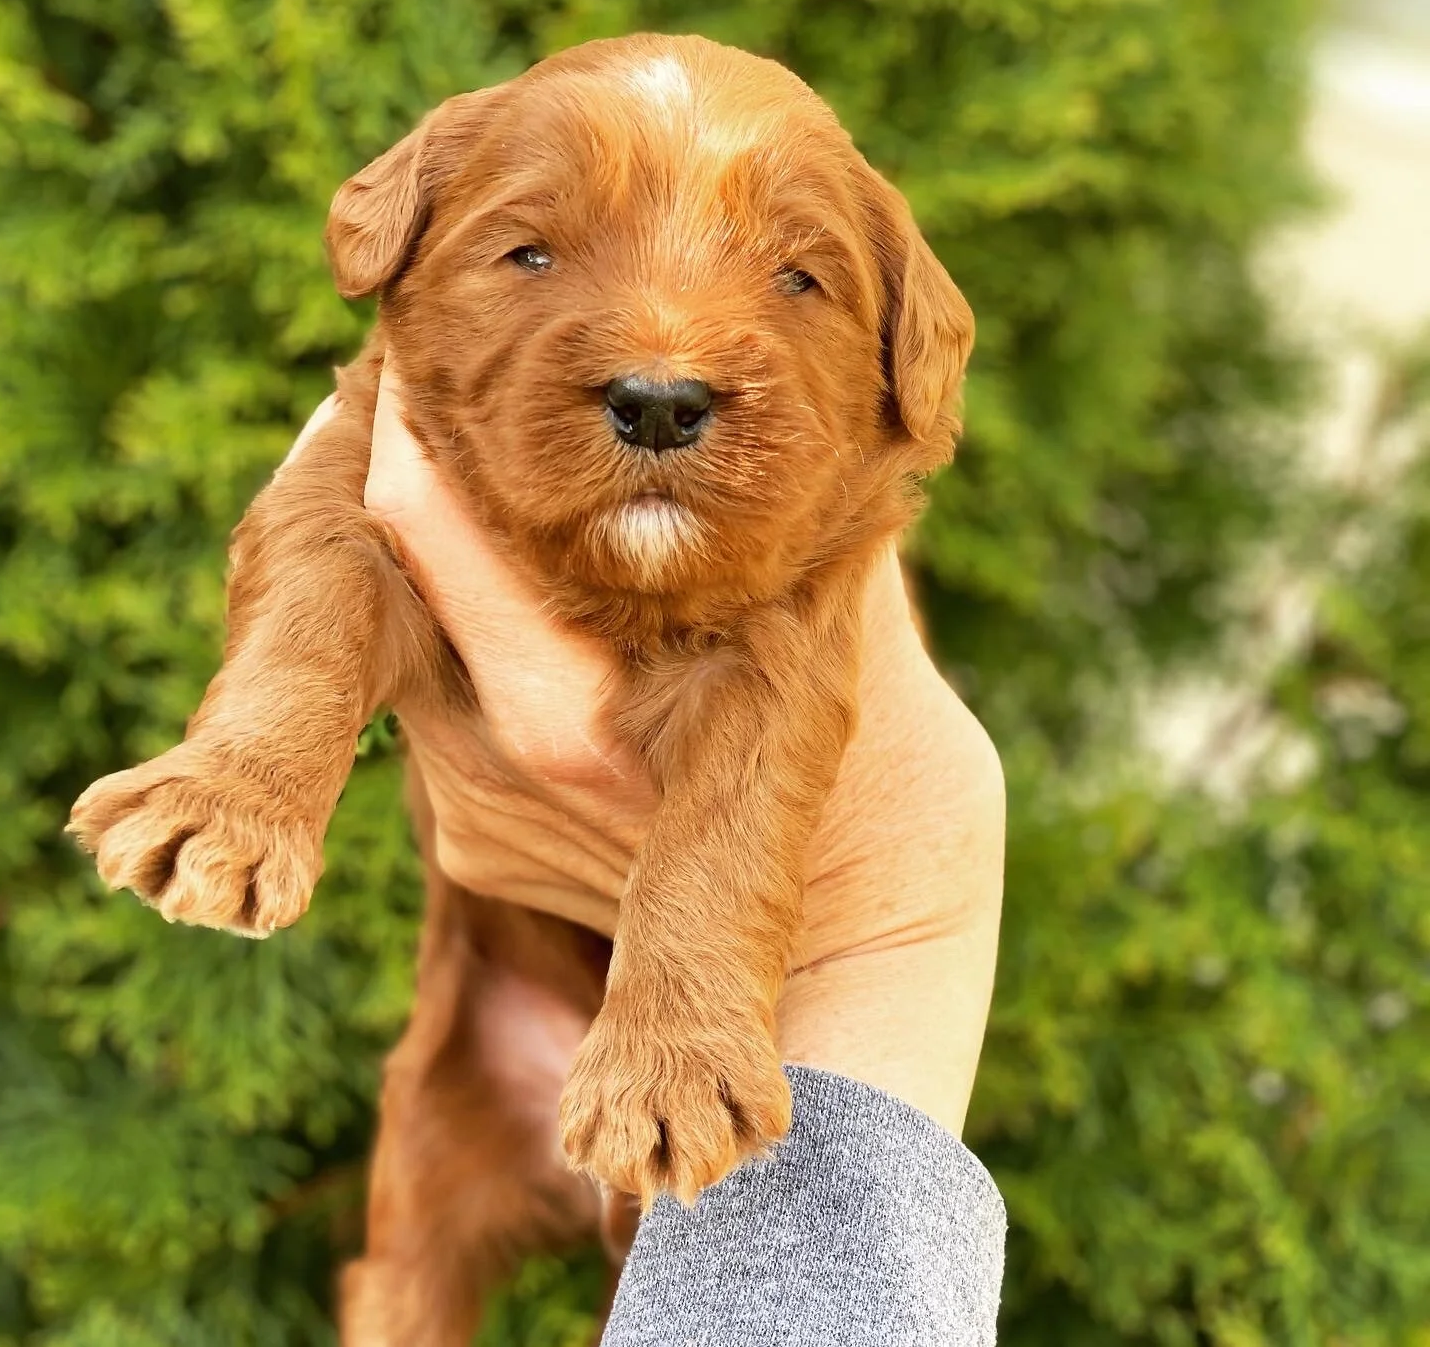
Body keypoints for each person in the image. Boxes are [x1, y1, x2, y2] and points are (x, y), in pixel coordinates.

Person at [299, 352, 1008, 1343]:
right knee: (418, 1261)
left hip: (700, 1009)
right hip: (511, 983)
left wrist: (876, 920)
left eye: (794, 283)